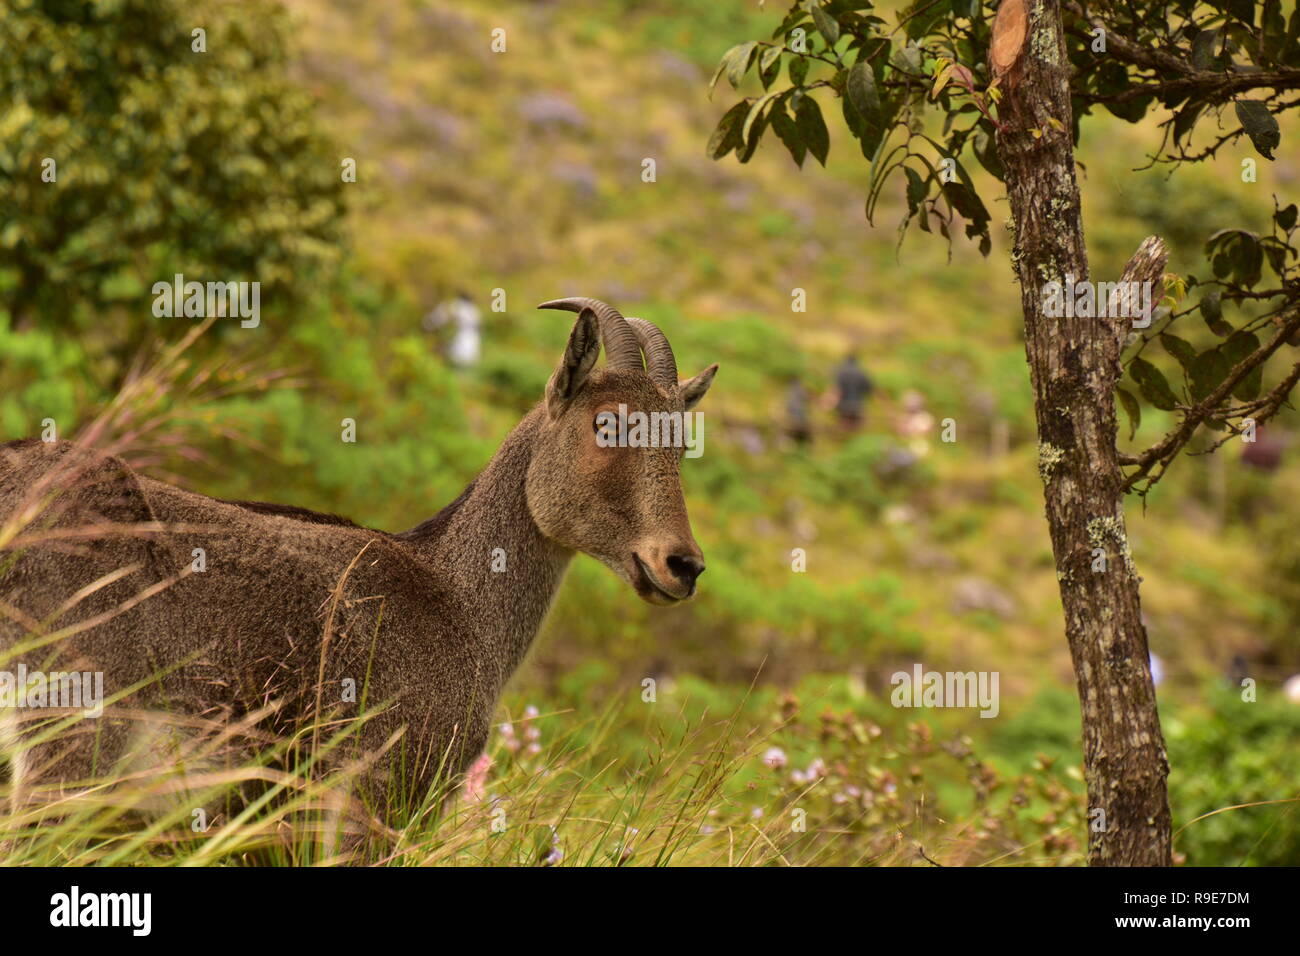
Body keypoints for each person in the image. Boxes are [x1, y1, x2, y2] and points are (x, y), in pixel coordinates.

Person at [423, 291, 482, 367]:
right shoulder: (475, 310)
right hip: (472, 351)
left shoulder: (458, 306)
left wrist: (429, 324)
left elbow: (441, 318)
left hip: (460, 348)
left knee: (444, 351)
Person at [829, 352, 873, 430]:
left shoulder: (841, 372)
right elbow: (869, 389)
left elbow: (837, 389)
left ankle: (844, 437)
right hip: (857, 405)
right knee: (856, 427)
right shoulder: (862, 372)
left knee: (844, 425)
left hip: (843, 405)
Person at [785, 376, 812, 445]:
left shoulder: (790, 390)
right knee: (800, 423)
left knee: (796, 422)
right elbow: (806, 397)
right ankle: (802, 437)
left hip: (793, 409)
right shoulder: (799, 388)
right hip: (799, 410)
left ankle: (798, 438)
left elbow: (788, 403)